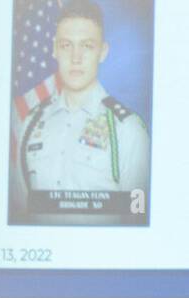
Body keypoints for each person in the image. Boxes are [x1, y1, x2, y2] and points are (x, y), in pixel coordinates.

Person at [14, 0, 150, 202]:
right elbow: (23, 212)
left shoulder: (127, 130)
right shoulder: (30, 124)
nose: (75, 57)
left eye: (87, 46)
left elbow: (137, 217)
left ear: (102, 52)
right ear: (54, 50)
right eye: (66, 45)